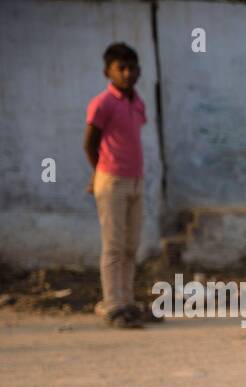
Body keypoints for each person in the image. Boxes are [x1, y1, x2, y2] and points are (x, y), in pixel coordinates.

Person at [85, 42, 155, 328]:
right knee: (113, 245)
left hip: (136, 181)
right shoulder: (102, 103)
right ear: (108, 72)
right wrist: (99, 173)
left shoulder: (137, 102)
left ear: (139, 71)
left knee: (130, 245)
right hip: (112, 181)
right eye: (121, 68)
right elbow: (90, 144)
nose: (127, 73)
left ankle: (127, 302)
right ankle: (112, 305)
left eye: (132, 68)